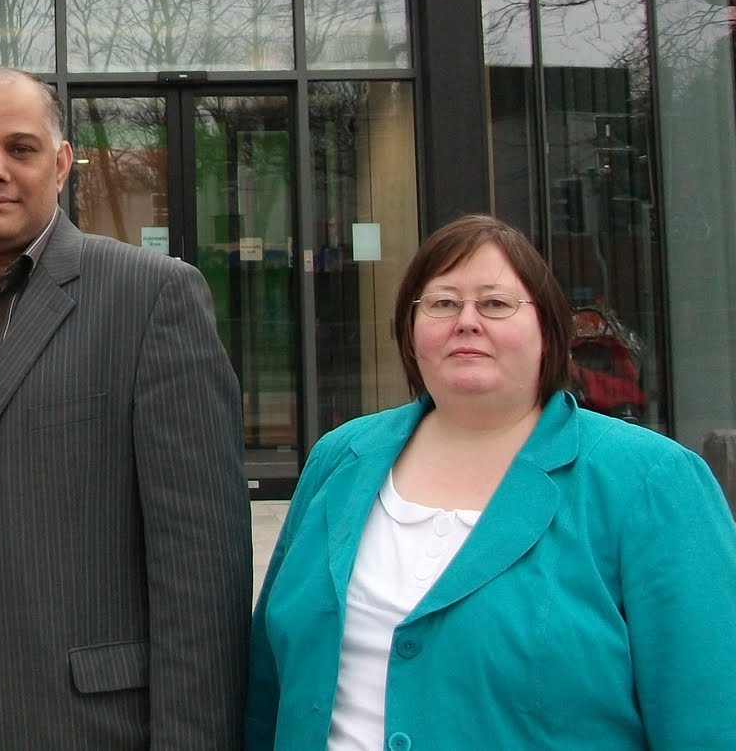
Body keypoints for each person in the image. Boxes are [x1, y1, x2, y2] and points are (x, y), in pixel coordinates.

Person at [0, 66, 251, 750]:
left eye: (22, 148)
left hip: (89, 726)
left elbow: (201, 568)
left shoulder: (153, 298)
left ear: (62, 163)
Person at [247, 214, 736, 750]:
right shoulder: (342, 458)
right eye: (442, 303)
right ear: (411, 331)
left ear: (549, 331)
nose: (467, 321)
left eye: (496, 304)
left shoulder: (651, 481)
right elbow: (268, 681)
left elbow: (708, 713)